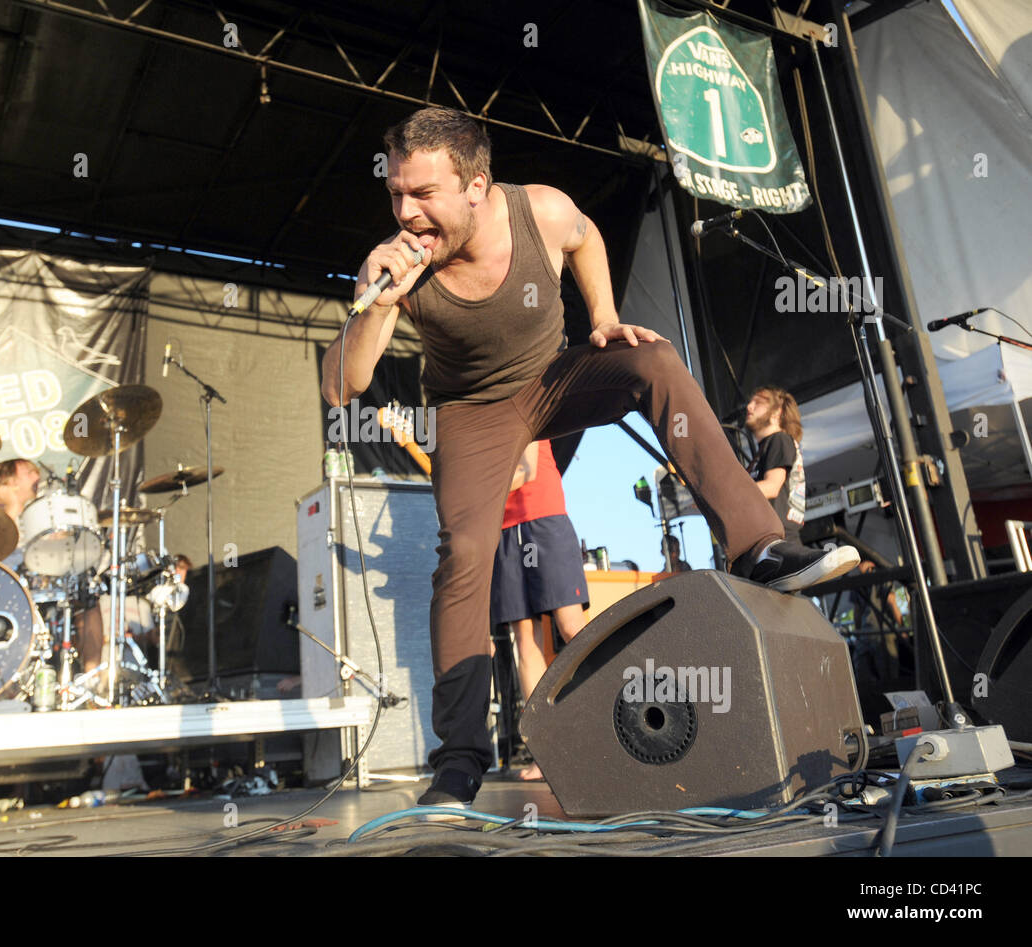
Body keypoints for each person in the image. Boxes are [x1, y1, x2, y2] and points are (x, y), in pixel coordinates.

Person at [319, 107, 859, 808]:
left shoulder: (539, 211)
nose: (406, 211)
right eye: (396, 193)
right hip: (470, 413)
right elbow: (342, 386)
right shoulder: (396, 266)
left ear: (477, 186)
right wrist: (376, 304)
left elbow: (587, 236)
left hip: (552, 382)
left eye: (423, 195)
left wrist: (603, 315)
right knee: (465, 554)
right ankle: (457, 761)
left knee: (654, 360)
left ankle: (759, 544)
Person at [492, 440, 589, 782]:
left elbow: (526, 469)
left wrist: (478, 490)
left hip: (544, 519)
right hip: (504, 530)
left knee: (571, 628)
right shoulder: (478, 422)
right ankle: (545, 752)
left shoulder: (520, 400)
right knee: (524, 642)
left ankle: (598, 731)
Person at [0, 458, 105, 676]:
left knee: (87, 593)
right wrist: (12, 505)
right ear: (8, 481)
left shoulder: (38, 514)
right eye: (30, 472)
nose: (37, 477)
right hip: (6, 585)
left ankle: (92, 676)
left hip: (42, 580)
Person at [744, 386, 805, 543]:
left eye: (757, 403)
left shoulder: (779, 439)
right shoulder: (768, 446)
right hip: (774, 539)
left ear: (776, 412)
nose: (749, 407)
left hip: (778, 541)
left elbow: (771, 487)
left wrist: (728, 496)